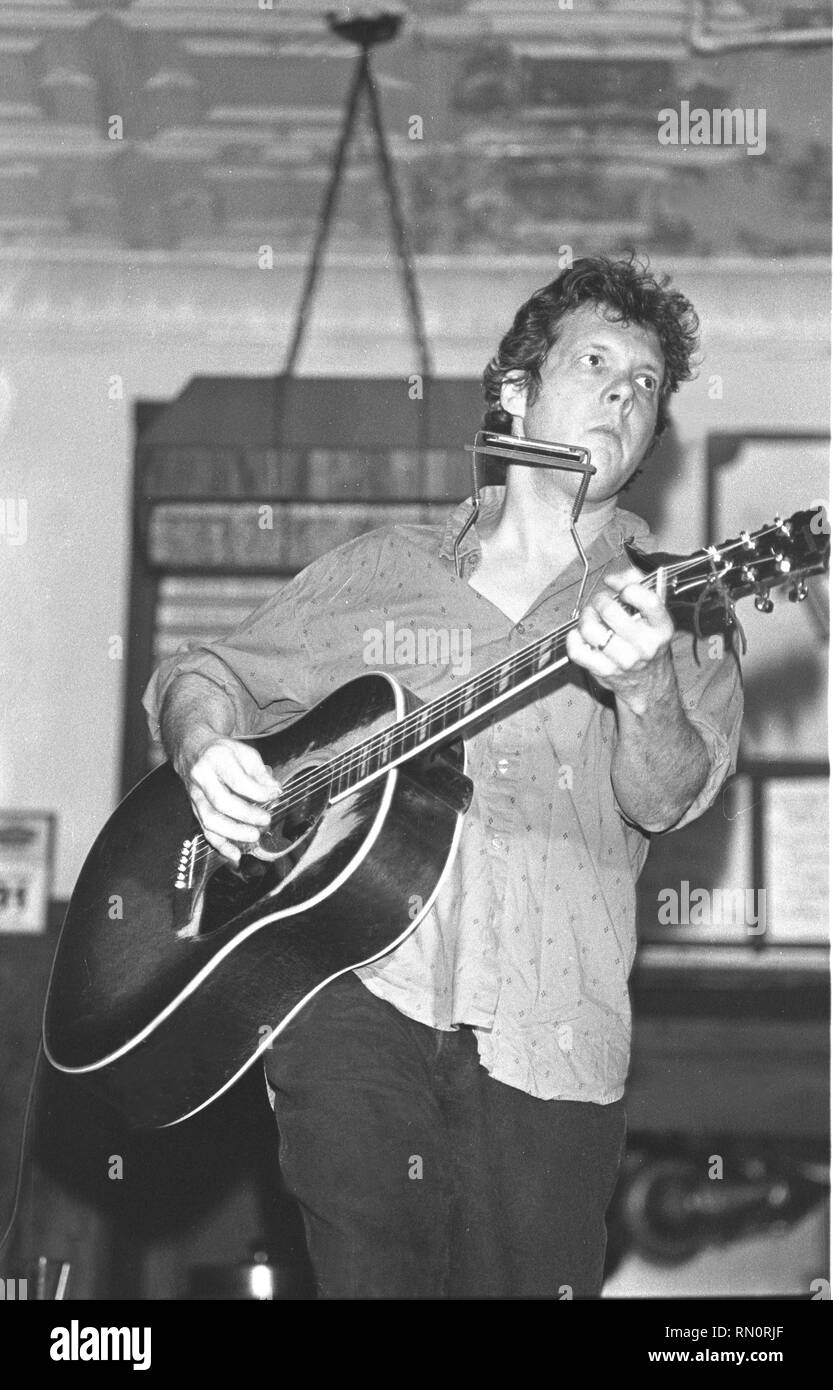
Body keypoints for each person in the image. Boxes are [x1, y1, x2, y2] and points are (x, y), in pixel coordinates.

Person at [143, 254, 744, 1299]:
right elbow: (205, 674)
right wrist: (205, 748)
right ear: (513, 388)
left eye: (643, 383)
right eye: (594, 360)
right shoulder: (380, 567)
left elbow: (662, 795)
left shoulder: (680, 606)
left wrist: (644, 687)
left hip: (552, 1039)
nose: (620, 391)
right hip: (351, 996)